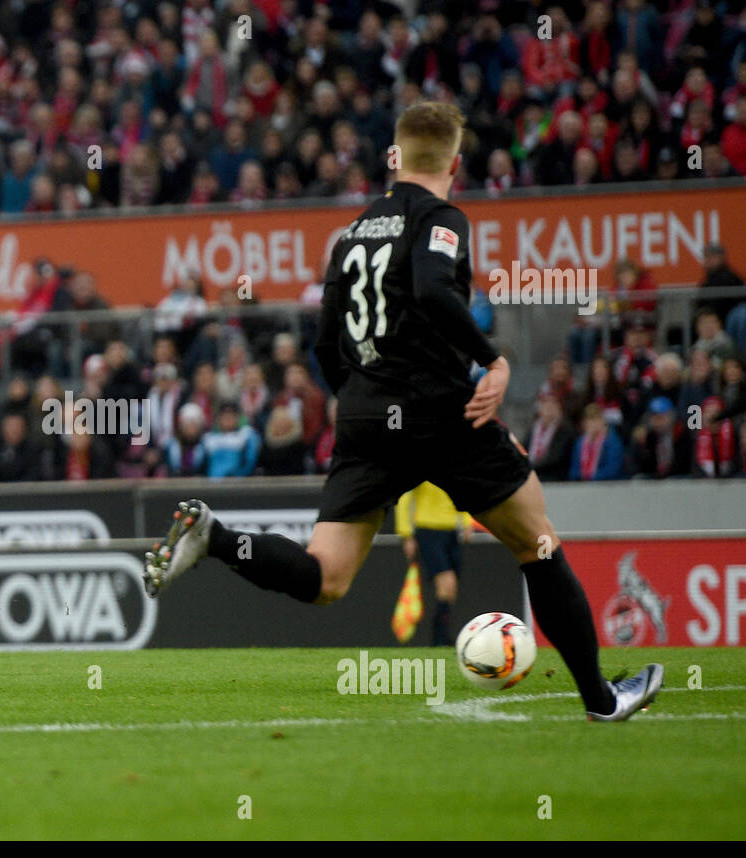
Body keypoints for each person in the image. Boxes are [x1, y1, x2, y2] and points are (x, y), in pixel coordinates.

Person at [143, 102, 661, 721]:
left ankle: (217, 538)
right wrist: (491, 362)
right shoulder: (441, 218)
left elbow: (323, 341)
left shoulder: (356, 231)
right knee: (538, 542)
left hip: (365, 416)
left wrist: (360, 397)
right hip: (438, 410)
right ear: (455, 162)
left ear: (395, 156)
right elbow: (433, 288)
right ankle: (601, 699)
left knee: (326, 577)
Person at [395, 482, 472, 647]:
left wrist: (466, 522)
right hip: (428, 531)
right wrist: (406, 534)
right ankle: (440, 638)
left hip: (451, 533)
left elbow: (462, 493)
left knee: (450, 590)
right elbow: (404, 498)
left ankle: (442, 637)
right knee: (447, 583)